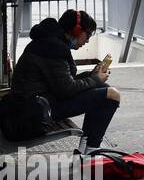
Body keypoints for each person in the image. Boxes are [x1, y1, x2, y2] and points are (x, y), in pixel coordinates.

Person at [9, 9, 119, 150]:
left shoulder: (49, 42)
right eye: (88, 35)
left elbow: (63, 82)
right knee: (112, 95)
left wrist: (91, 76)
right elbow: (67, 90)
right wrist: (96, 79)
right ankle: (91, 149)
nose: (88, 40)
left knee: (104, 88)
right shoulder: (53, 48)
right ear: (77, 30)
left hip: (34, 104)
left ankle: (87, 146)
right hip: (34, 112)